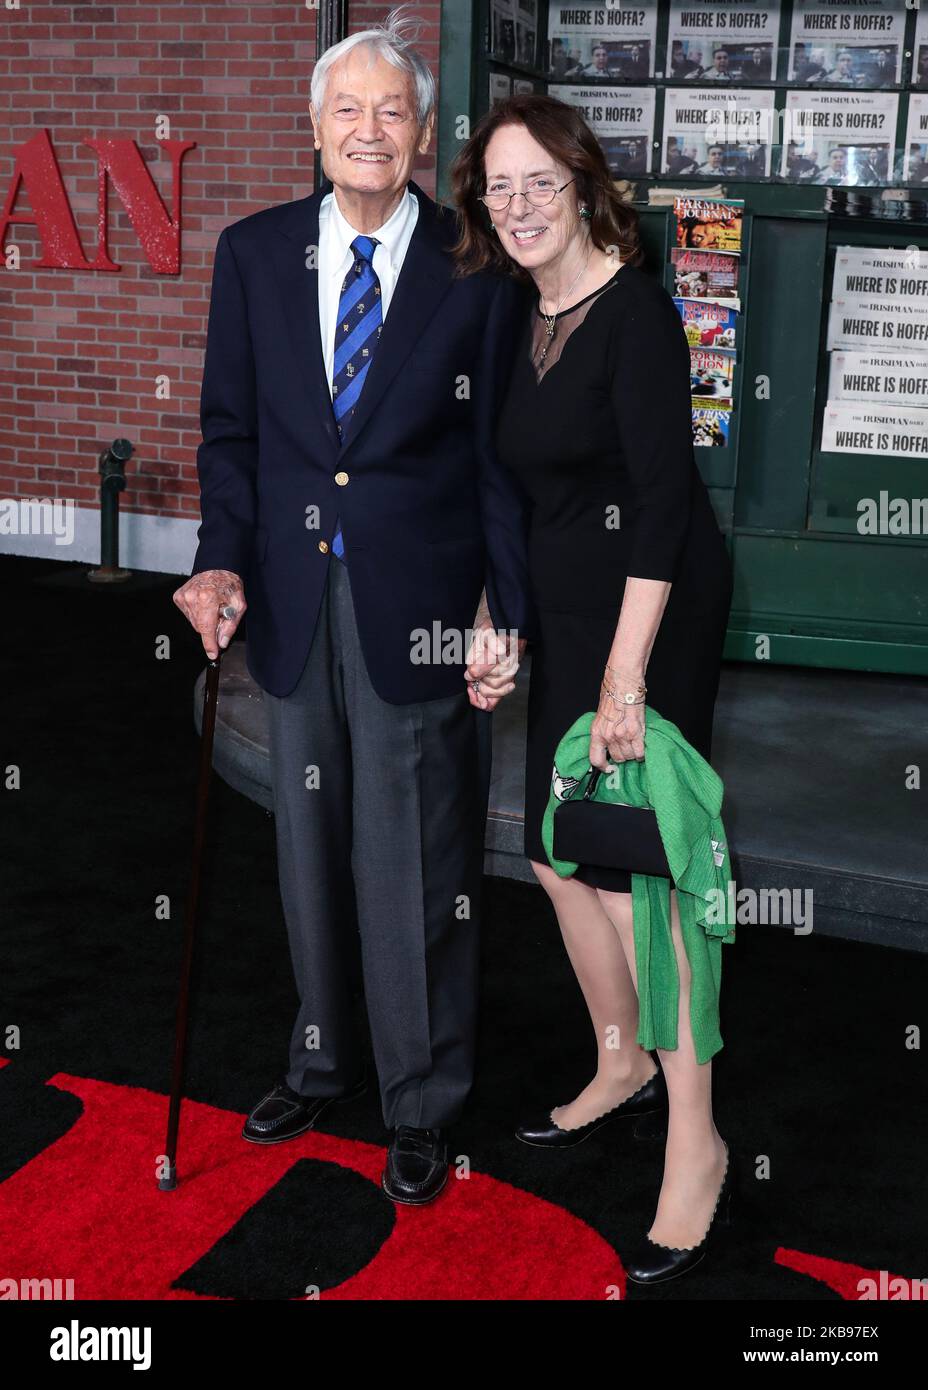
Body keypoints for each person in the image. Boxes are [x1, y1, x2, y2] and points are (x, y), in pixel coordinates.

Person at [173, 8, 531, 1207]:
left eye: (392, 112)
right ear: (314, 129)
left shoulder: (476, 269)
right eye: (347, 111)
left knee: (417, 858)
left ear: (424, 134)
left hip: (417, 605)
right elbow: (232, 433)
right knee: (307, 848)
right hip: (284, 594)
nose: (368, 131)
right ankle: (322, 1060)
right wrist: (218, 559)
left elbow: (500, 464)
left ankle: (422, 1098)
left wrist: (501, 608)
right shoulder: (255, 252)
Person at [450, 93, 735, 1283]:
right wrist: (489, 617)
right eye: (497, 188)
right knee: (559, 859)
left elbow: (660, 507)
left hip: (649, 612)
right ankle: (619, 1059)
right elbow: (511, 494)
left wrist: (624, 681)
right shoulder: (518, 309)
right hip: (563, 613)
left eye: (537, 184)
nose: (516, 208)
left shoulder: (637, 315)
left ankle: (696, 1137)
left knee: (647, 884)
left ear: (582, 184)